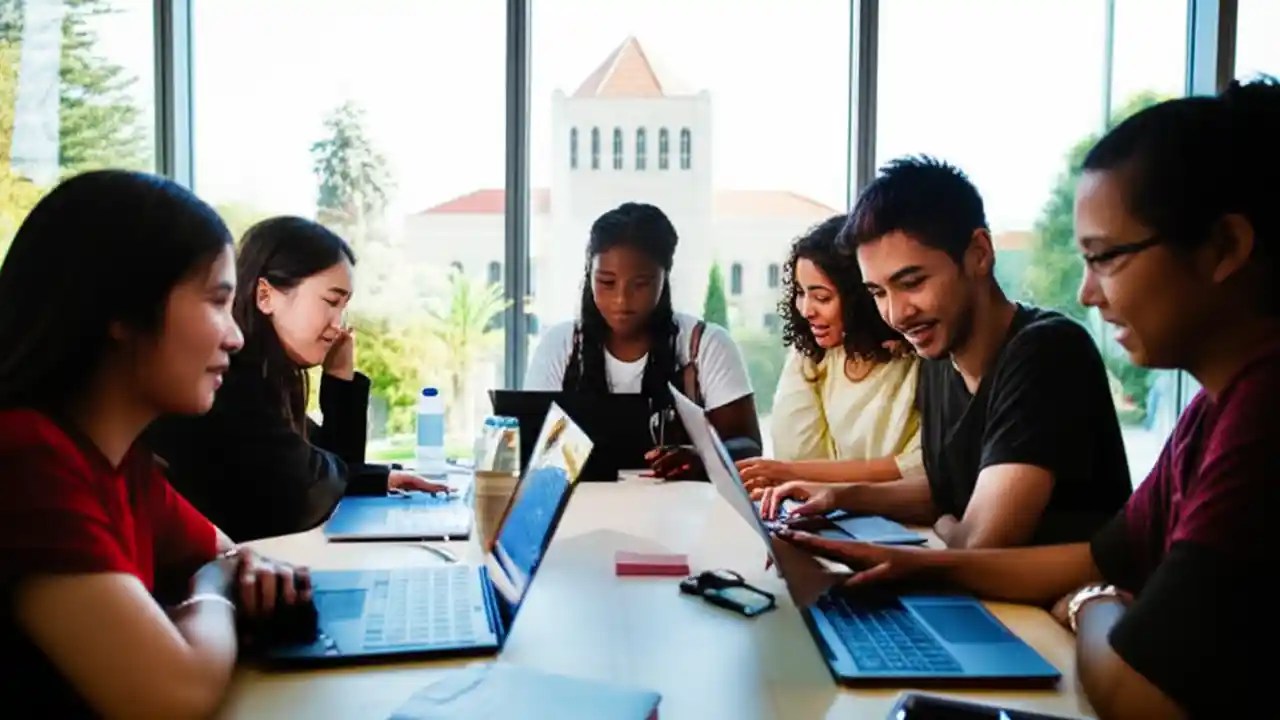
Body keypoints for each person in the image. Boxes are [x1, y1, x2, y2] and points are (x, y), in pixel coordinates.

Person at [773, 78, 1280, 719]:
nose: (1090, 292)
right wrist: (909, 558)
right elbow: (1093, 555)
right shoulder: (1209, 412)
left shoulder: (1259, 415)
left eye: (1108, 259)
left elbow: (1139, 693)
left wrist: (1089, 601)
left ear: (1225, 247)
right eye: (877, 293)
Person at [0, 170, 309, 718]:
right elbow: (174, 695)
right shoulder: (26, 458)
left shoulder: (125, 467)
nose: (235, 336)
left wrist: (226, 571)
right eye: (217, 301)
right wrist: (212, 587)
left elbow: (231, 553)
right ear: (122, 307)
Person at [761, 157, 1132, 548]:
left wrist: (949, 528)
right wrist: (837, 497)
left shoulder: (1046, 351)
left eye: (913, 282)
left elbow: (980, 546)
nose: (896, 314)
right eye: (878, 293)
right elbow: (946, 494)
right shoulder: (939, 360)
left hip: (1065, 603)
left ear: (978, 253)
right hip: (1002, 602)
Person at [147, 216, 446, 541]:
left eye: (344, 307)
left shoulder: (269, 379)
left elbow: (328, 469)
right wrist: (353, 477)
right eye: (331, 302)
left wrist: (339, 376)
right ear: (266, 296)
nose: (338, 324)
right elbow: (310, 491)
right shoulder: (229, 382)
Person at [524, 202, 761, 478]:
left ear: (665, 277)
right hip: (581, 511)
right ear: (590, 276)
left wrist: (703, 457)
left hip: (681, 513)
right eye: (606, 282)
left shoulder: (705, 346)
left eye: (641, 284)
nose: (621, 300)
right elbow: (534, 442)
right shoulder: (560, 346)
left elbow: (749, 447)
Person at [735, 214, 924, 491]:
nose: (806, 310)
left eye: (822, 297)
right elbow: (795, 449)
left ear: (861, 298)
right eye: (800, 293)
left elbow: (915, 466)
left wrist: (786, 473)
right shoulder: (823, 356)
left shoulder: (915, 363)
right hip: (840, 511)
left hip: (899, 518)